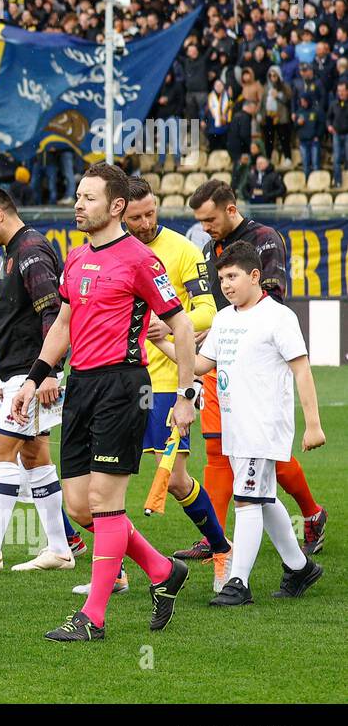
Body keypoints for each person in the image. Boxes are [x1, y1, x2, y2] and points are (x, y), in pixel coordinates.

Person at [12, 163, 197, 642]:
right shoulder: (74, 257)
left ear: (116, 206)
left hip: (122, 386)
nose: (78, 204)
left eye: (88, 198)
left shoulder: (140, 259)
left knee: (105, 501)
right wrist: (34, 379)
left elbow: (180, 325)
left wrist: (185, 395)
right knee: (79, 506)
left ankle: (92, 617)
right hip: (81, 386)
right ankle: (163, 569)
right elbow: (62, 326)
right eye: (77, 195)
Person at [156, 241, 324, 607]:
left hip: (264, 426)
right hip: (236, 427)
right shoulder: (224, 318)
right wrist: (163, 342)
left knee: (247, 500)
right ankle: (300, 568)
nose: (226, 285)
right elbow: (200, 365)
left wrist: (313, 425)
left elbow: (301, 369)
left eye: (232, 276)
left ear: (255, 276)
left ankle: (238, 583)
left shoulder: (278, 317)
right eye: (221, 279)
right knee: (262, 498)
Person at [187, 180, 327, 555]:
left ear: (231, 210)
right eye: (200, 221)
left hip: (256, 362)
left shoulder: (265, 239)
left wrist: (224, 330)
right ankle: (215, 537)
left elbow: (271, 300)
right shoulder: (210, 248)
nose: (205, 227)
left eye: (210, 219)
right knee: (218, 449)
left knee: (266, 457)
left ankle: (311, 514)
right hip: (220, 359)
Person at [0, 187, 78, 574]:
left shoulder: (31, 251)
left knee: (0, 449)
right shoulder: (16, 251)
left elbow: (53, 313)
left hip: (32, 373)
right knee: (34, 456)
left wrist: (48, 372)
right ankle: (60, 549)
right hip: (20, 373)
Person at [121, 179, 231, 594]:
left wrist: (167, 325)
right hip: (118, 379)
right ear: (118, 213)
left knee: (177, 480)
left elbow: (208, 311)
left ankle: (221, 549)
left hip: (167, 381)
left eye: (151, 213)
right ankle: (113, 571)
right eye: (136, 217)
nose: (146, 222)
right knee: (102, 481)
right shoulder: (109, 252)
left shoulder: (183, 251)